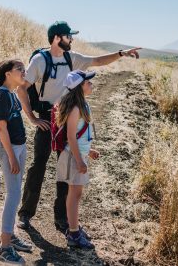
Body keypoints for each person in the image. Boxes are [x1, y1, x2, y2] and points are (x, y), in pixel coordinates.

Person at [16, 21, 137, 232]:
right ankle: (26, 213)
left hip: (66, 118)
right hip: (46, 118)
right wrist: (33, 118)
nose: (72, 39)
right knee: (39, 166)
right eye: (68, 36)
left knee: (66, 169)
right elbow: (22, 88)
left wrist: (121, 53)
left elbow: (98, 60)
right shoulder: (40, 60)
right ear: (56, 38)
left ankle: (61, 218)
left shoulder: (72, 58)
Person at [0, 60, 33, 263]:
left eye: (24, 69)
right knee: (13, 194)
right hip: (10, 151)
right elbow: (1, 129)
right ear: (8, 73)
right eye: (19, 69)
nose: (24, 72)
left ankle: (11, 236)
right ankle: (4, 247)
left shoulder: (12, 94)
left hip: (19, 147)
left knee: (16, 193)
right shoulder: (2, 96)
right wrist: (12, 156)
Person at [54, 70, 100, 249]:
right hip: (74, 157)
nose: (91, 84)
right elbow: (71, 137)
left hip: (79, 155)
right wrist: (80, 160)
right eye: (88, 82)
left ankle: (73, 228)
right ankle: (73, 233)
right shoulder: (75, 108)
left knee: (75, 194)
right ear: (79, 87)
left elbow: (81, 137)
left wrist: (89, 151)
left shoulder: (83, 105)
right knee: (74, 194)